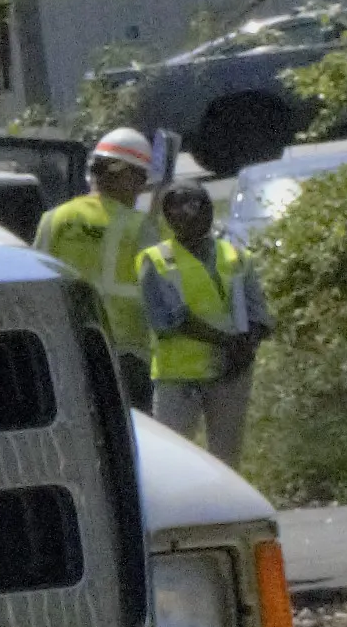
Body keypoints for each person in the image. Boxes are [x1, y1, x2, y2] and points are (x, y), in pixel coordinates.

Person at [140, 173, 272, 465]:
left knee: (227, 459)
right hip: (178, 378)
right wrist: (230, 343)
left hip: (230, 374)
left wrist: (245, 349)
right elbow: (169, 319)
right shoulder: (155, 259)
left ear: (208, 210)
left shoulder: (237, 255)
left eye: (190, 206)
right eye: (173, 208)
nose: (181, 215)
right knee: (172, 460)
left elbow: (259, 315)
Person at [39, 129, 162, 410]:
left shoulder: (54, 219)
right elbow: (165, 290)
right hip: (126, 352)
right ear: (126, 175)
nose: (140, 188)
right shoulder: (139, 226)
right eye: (140, 178)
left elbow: (38, 282)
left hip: (68, 347)